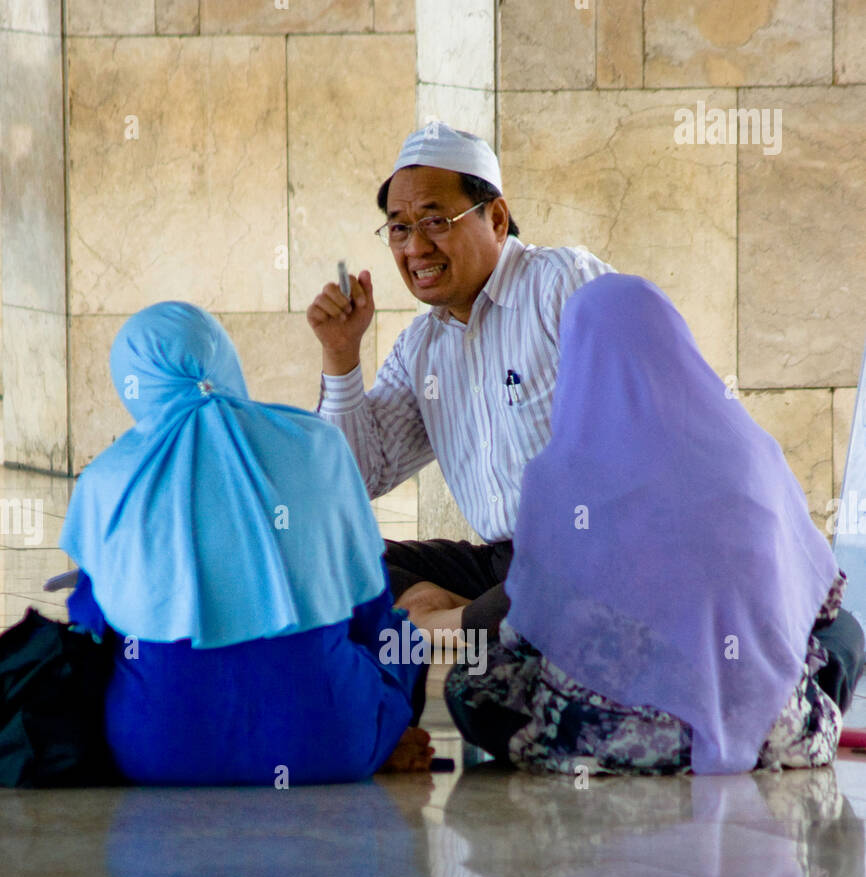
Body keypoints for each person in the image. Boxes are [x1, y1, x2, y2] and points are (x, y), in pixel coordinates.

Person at [444, 274, 865, 776]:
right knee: (847, 631)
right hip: (773, 732)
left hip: (598, 734)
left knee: (468, 684)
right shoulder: (752, 452)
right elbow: (823, 603)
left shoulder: (559, 474)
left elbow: (528, 633)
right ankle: (760, 722)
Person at [59, 301, 432, 786]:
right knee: (403, 640)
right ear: (224, 360)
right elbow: (371, 611)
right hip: (328, 743)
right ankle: (380, 734)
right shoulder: (318, 443)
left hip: (155, 754)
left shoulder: (107, 478)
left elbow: (89, 628)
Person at [306, 121, 614, 643]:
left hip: (595, 552)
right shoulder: (420, 346)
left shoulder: (561, 285)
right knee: (321, 552)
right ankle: (464, 620)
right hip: (504, 566)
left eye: (435, 220)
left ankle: (440, 626)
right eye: (399, 228)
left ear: (496, 219)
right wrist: (341, 353)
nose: (415, 248)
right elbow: (350, 484)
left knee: (568, 587)